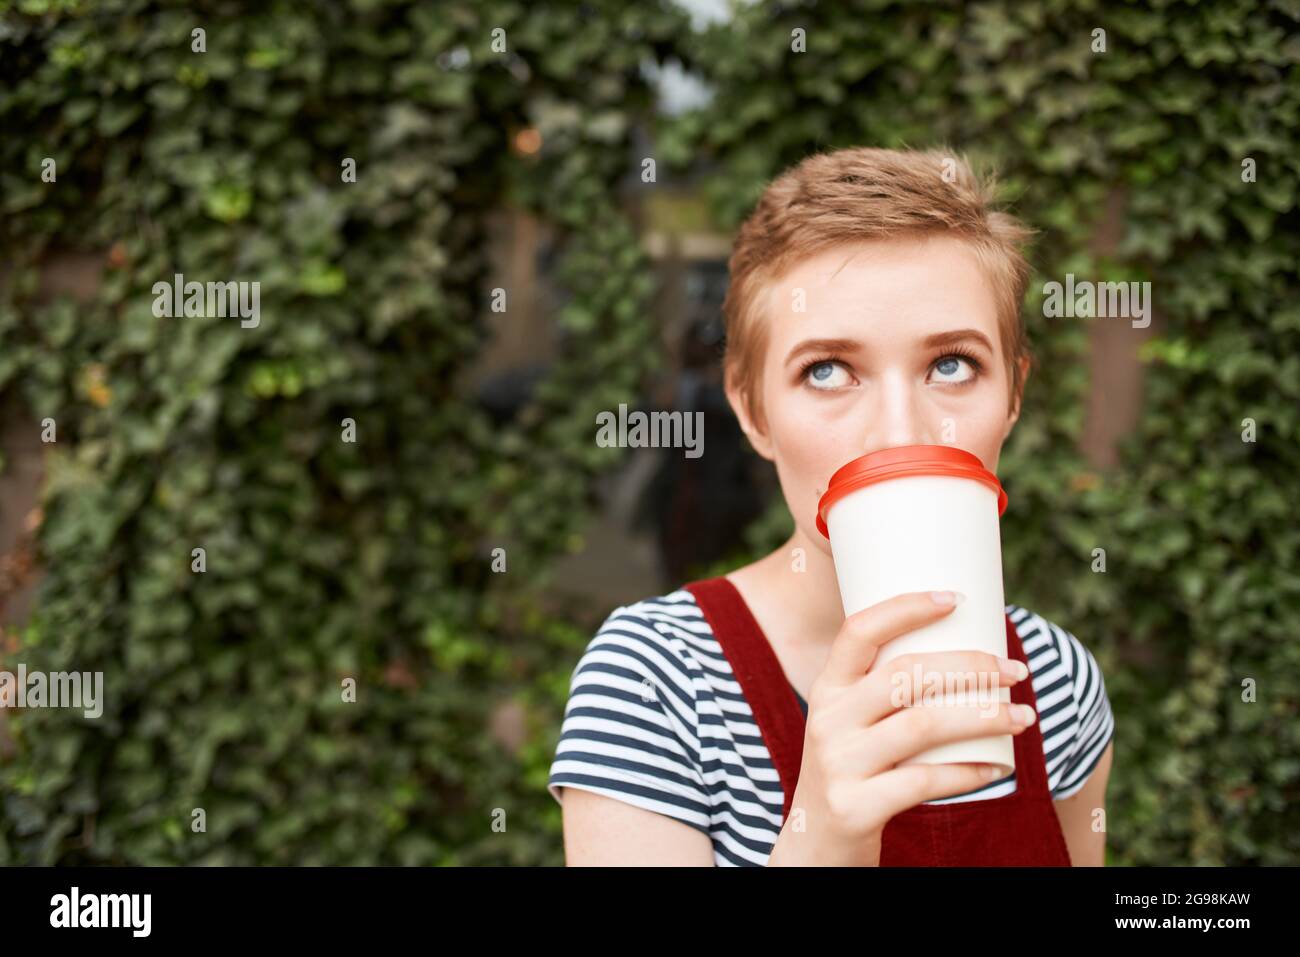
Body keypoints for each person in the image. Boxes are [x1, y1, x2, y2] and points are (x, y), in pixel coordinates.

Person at [547, 147, 1116, 866]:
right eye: (827, 370)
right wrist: (824, 834)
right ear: (753, 411)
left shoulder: (1058, 681)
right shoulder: (655, 683)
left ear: (1013, 395)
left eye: (952, 364)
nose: (900, 432)